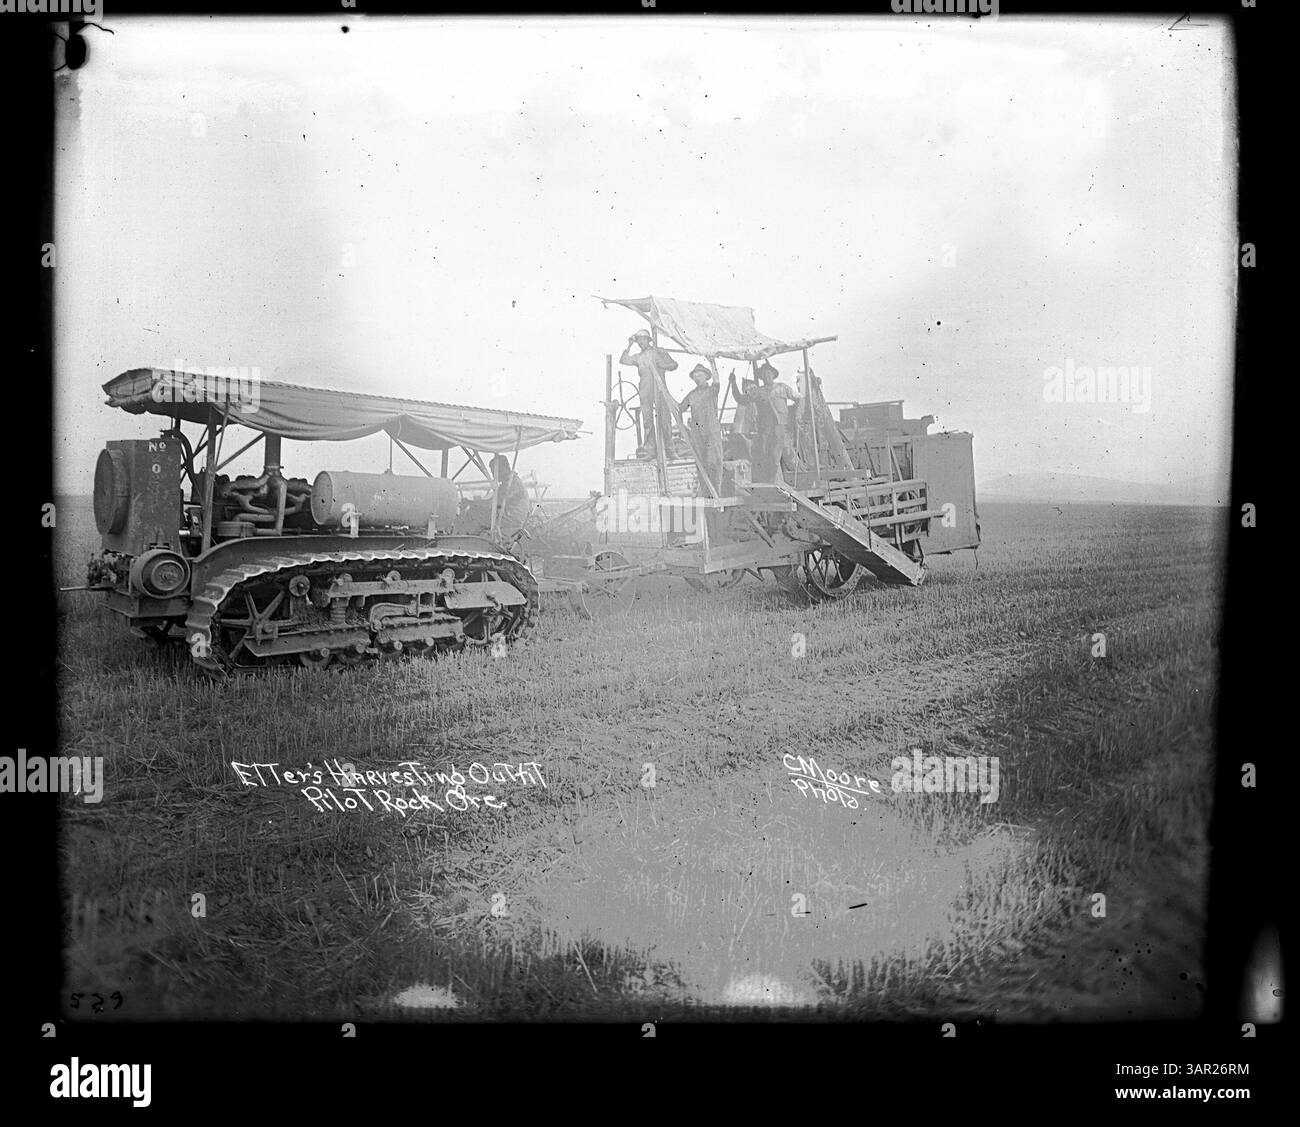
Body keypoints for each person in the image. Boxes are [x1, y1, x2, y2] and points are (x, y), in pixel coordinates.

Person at [619, 328, 678, 459]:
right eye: (638, 341)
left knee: (665, 419)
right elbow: (623, 360)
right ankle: (651, 451)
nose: (640, 343)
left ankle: (670, 450)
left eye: (642, 340)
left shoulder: (659, 351)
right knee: (647, 421)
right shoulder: (638, 357)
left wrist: (663, 364)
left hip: (660, 388)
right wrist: (629, 344)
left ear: (648, 340)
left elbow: (674, 365)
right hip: (645, 390)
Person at [677, 363, 724, 495]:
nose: (697, 378)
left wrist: (713, 363)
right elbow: (680, 408)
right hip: (697, 432)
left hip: (711, 431)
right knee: (701, 462)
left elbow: (717, 381)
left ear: (706, 377)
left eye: (700, 375)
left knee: (713, 461)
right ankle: (706, 492)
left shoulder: (712, 390)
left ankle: (716, 492)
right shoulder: (691, 395)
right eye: (695, 376)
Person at [489, 453, 531, 539]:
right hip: (511, 517)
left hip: (511, 519)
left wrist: (475, 504)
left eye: (494, 471)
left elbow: (497, 502)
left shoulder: (511, 483)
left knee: (474, 514)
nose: (493, 475)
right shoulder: (510, 482)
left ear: (503, 468)